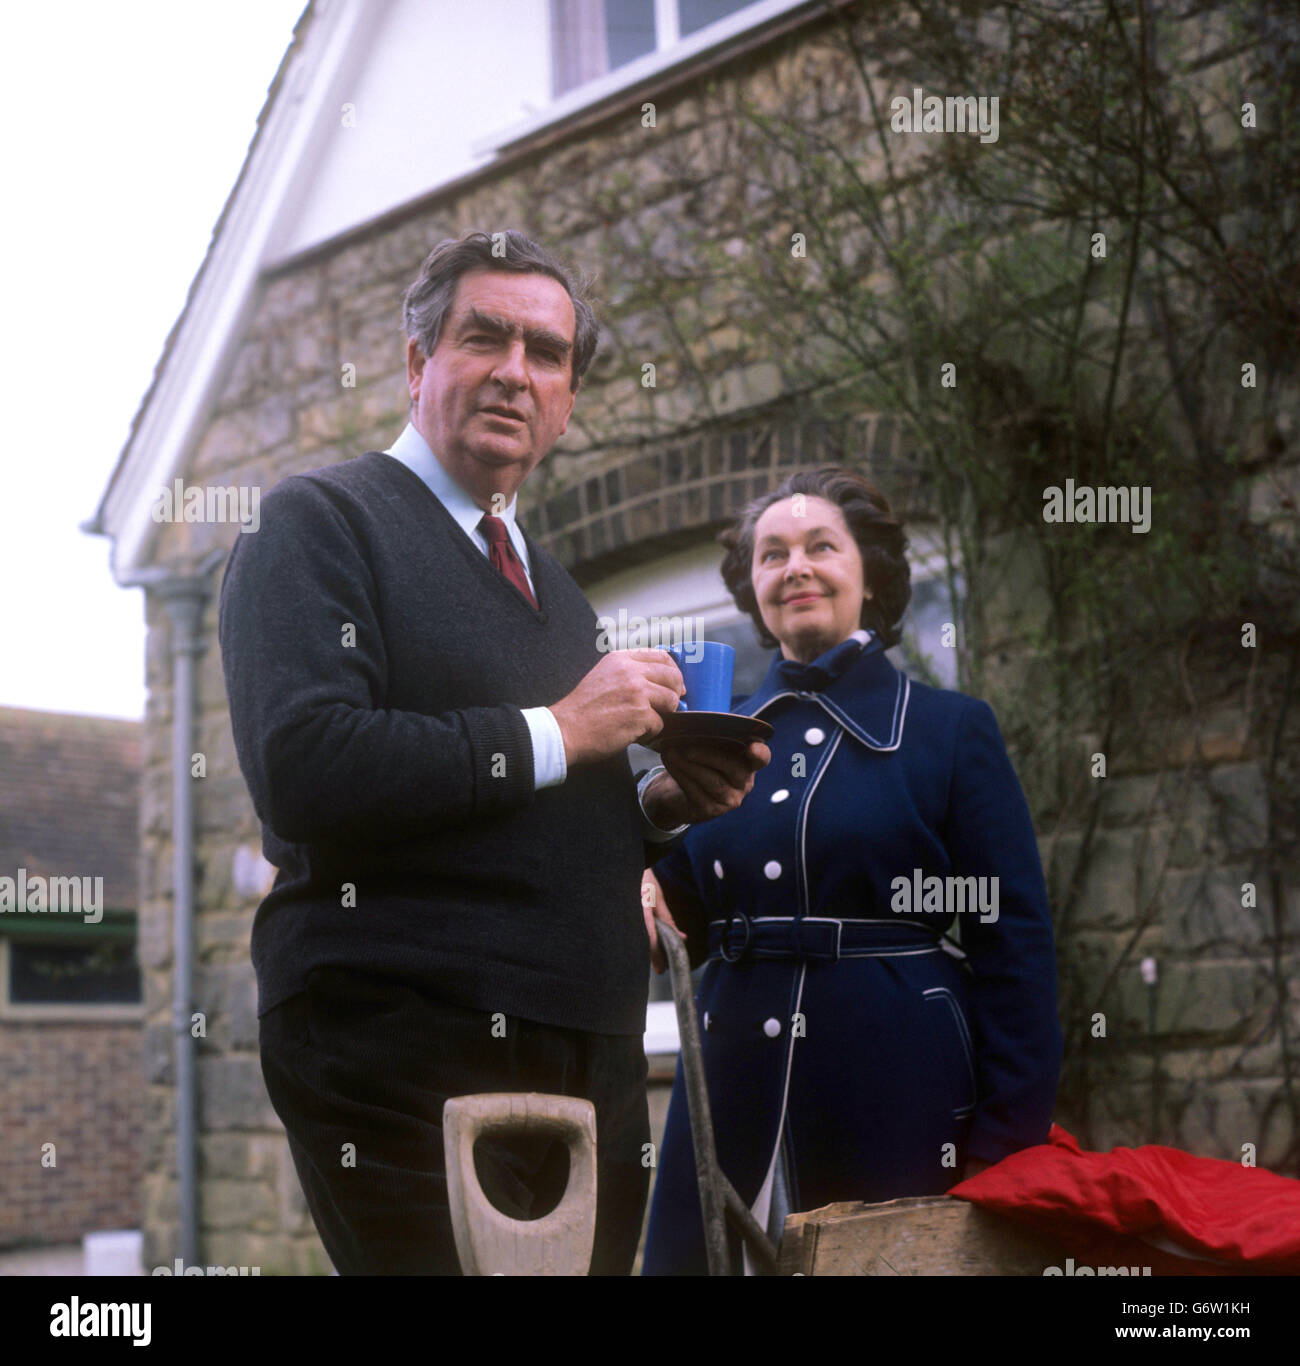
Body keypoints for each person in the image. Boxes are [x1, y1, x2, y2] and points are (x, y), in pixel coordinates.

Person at [218, 230, 768, 1275]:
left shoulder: (552, 587)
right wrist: (564, 726)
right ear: (419, 361)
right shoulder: (316, 522)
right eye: (486, 337)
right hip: (405, 1035)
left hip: (590, 1047)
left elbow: (535, 790)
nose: (518, 371)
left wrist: (653, 809)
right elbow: (307, 767)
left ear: (566, 397)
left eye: (548, 353)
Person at [640, 466, 1062, 1275]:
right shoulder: (716, 742)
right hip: (724, 1093)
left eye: (820, 546)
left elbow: (1017, 954)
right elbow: (675, 908)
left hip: (898, 1093)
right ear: (753, 590)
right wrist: (646, 866)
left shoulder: (949, 732)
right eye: (771, 555)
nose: (793, 567)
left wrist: (1008, 1155)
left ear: (870, 577)